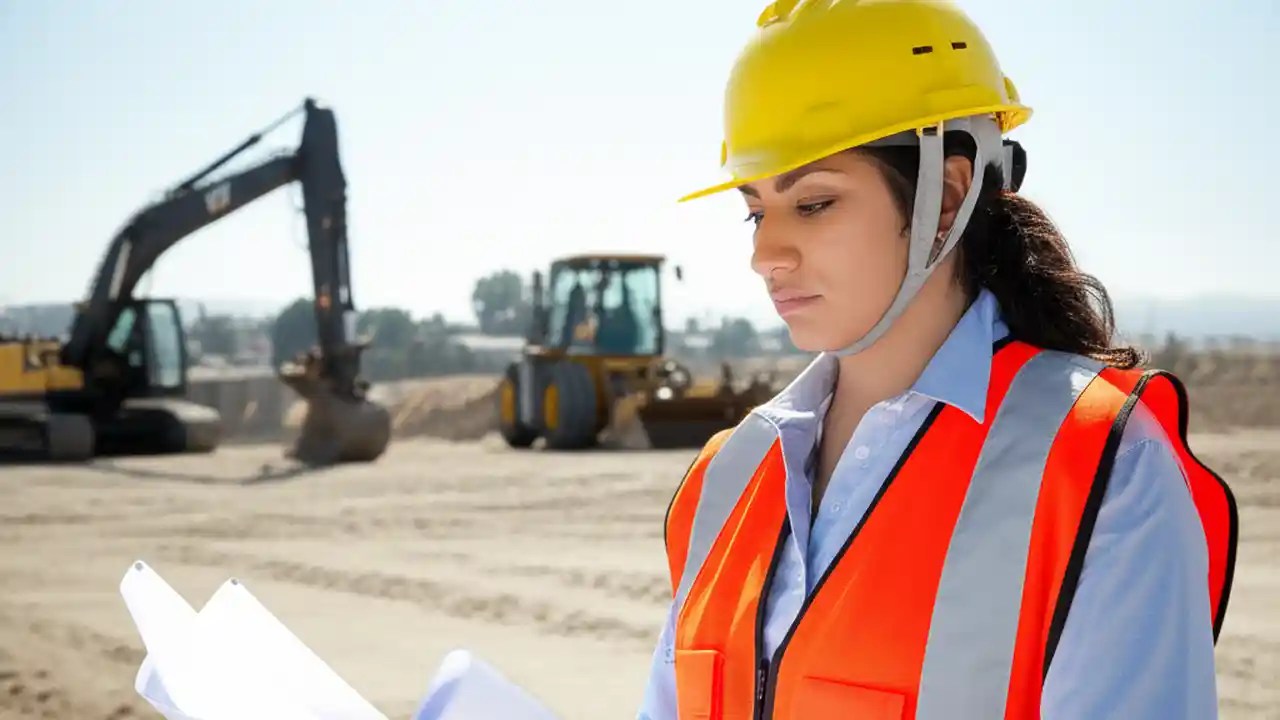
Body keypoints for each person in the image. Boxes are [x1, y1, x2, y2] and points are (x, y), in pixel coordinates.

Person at [637, 2, 1237, 719]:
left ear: (946, 193)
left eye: (815, 203)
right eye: (756, 210)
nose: (765, 254)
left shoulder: (1100, 467)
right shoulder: (725, 481)